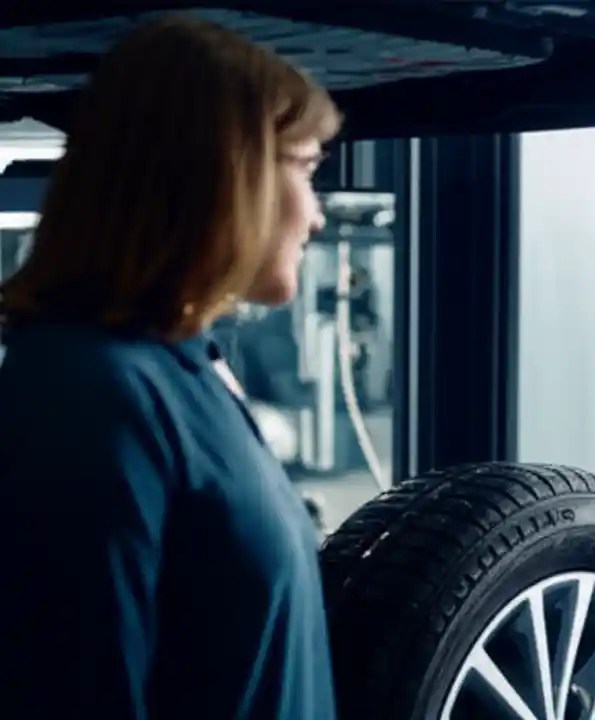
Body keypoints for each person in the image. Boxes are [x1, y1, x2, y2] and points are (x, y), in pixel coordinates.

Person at [0, 14, 341, 719]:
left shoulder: (186, 364)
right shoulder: (90, 392)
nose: (316, 216)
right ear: (226, 174)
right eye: (305, 168)